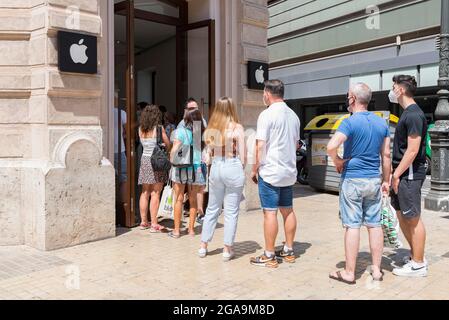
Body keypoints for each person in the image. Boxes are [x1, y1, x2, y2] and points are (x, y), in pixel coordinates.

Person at [327, 83, 391, 285]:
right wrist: (386, 181)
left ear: (353, 98)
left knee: (353, 225)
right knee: (374, 225)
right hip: (374, 179)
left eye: (348, 97)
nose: (347, 100)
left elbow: (331, 146)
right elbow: (386, 155)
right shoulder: (382, 123)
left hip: (353, 179)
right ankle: (377, 270)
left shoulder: (350, 122)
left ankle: (349, 272)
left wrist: (337, 160)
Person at [250, 80, 301, 268]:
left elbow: (260, 145)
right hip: (288, 171)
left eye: (264, 93)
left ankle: (269, 254)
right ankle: (288, 250)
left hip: (271, 171)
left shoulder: (267, 114)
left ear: (267, 93)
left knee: (270, 213)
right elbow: (296, 144)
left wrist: (254, 169)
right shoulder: (294, 115)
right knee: (287, 210)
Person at [198, 97, 247, 261]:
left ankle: (203, 246)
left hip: (216, 167)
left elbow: (208, 153)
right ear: (232, 108)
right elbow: (243, 155)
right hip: (232, 165)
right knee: (231, 211)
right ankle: (227, 249)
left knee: (212, 208)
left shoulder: (213, 128)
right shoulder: (237, 128)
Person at [389, 75, 428, 277]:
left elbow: (412, 150)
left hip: (409, 174)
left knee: (412, 218)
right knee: (402, 214)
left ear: (401, 90)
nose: (392, 90)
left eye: (393, 86)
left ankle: (419, 264)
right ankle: (415, 255)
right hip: (402, 174)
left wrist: (396, 174)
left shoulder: (413, 114)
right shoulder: (407, 113)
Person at [169, 109, 207, 238]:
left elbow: (175, 149)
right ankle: (191, 230)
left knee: (179, 199)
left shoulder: (180, 132)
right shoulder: (200, 134)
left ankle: (177, 230)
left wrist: (171, 157)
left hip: (181, 168)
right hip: (196, 169)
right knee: (193, 200)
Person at [138, 105, 171, 233]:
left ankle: (143, 221)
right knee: (156, 192)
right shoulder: (159, 128)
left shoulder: (141, 129)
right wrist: (166, 148)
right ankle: (154, 223)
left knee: (145, 191)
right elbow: (167, 143)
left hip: (145, 159)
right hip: (157, 161)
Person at [178, 98, 208, 222]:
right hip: (186, 162)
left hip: (199, 160)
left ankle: (200, 213)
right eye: (191, 109)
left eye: (195, 108)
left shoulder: (202, 121)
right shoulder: (182, 124)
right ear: (186, 110)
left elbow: (205, 140)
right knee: (187, 190)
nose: (193, 111)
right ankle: (188, 215)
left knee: (200, 188)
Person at [114, 90, 129, 216]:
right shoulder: (121, 113)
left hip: (106, 150)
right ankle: (124, 211)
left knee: (111, 179)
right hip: (120, 149)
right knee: (123, 178)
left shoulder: (104, 111)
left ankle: (112, 206)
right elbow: (127, 132)